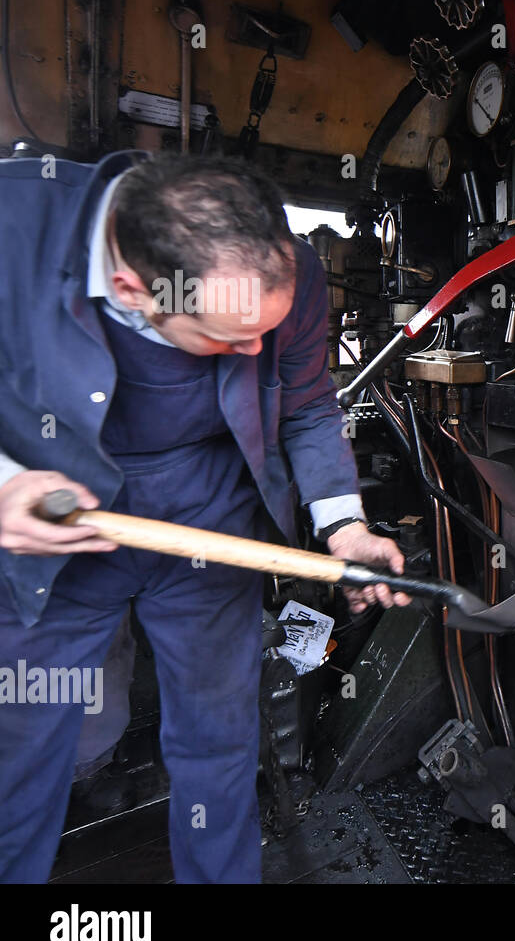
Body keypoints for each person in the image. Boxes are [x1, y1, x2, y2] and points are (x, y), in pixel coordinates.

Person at [0, 151, 409, 883]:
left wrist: (345, 526)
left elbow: (307, 400)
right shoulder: (13, 226)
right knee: (19, 750)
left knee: (218, 742)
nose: (256, 354)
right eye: (232, 339)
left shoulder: (285, 271)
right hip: (50, 528)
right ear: (130, 290)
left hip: (207, 516)